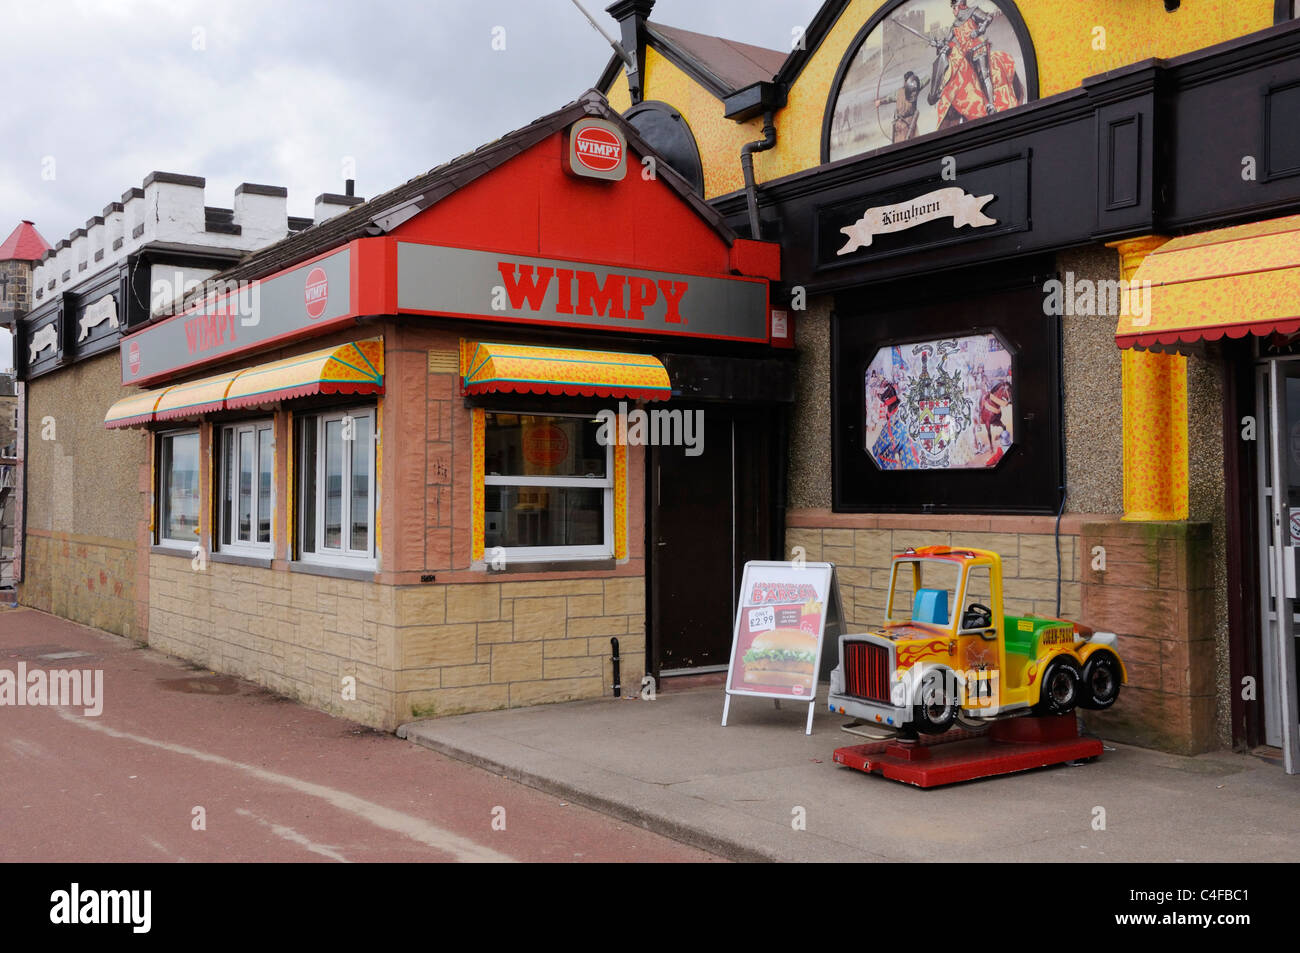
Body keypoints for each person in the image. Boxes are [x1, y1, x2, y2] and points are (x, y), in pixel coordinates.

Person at [927, 0, 1025, 128]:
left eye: (954, 7)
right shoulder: (955, 25)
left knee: (985, 76)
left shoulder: (972, 12)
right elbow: (946, 41)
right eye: (952, 8)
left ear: (961, 5)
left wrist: (979, 30)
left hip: (978, 47)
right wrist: (937, 43)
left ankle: (990, 104)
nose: (953, 11)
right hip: (966, 53)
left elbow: (988, 17)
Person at [874, 70, 930, 142]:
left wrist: (921, 80)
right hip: (899, 125)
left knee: (913, 143)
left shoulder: (915, 90)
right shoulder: (899, 92)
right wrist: (880, 102)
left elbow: (927, 79)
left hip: (910, 124)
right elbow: (889, 98)